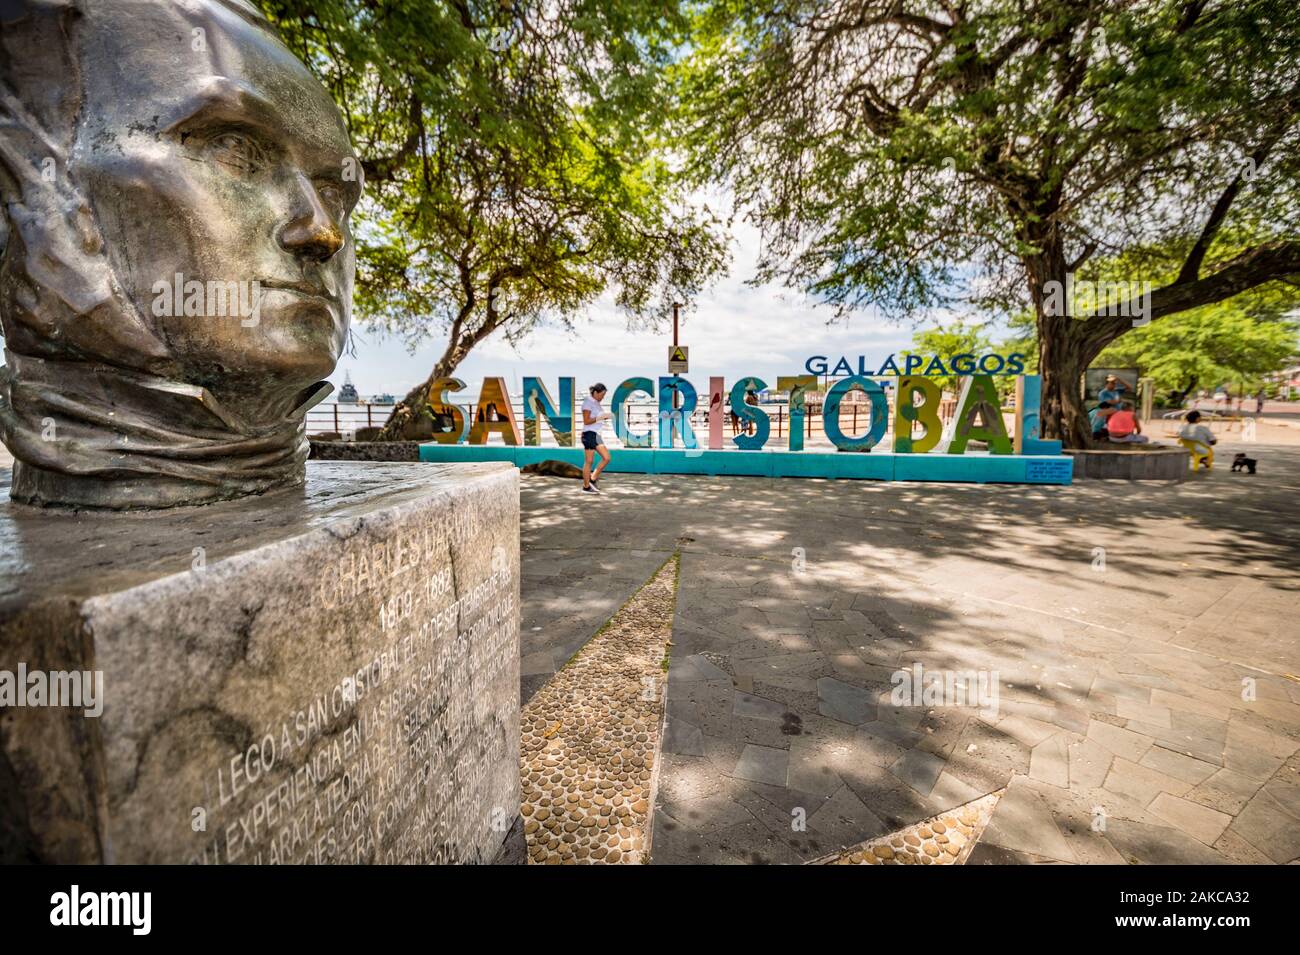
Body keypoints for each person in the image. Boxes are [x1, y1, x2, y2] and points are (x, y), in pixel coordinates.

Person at [580, 383, 612, 494]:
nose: (603, 397)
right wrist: (601, 417)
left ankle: (592, 479)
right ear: (595, 392)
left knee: (607, 458)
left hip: (596, 435)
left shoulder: (596, 403)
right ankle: (586, 486)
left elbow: (597, 418)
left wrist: (605, 417)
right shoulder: (588, 402)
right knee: (589, 461)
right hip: (589, 434)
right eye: (602, 394)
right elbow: (586, 421)